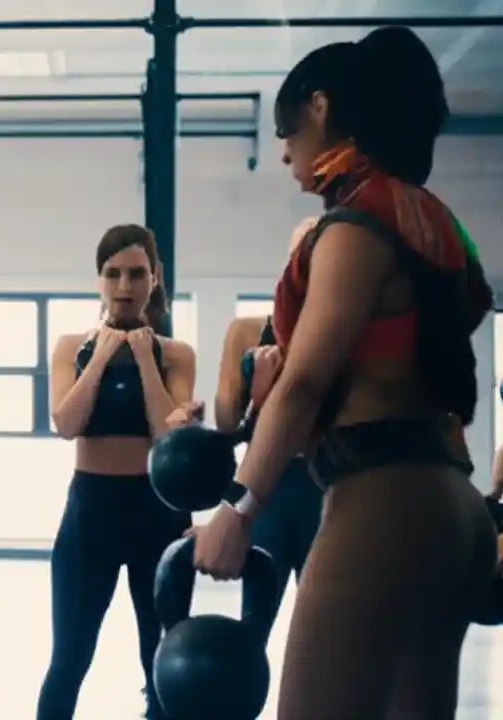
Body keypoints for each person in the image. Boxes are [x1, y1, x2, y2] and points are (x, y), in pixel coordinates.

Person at [190, 27, 498, 718]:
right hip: (450, 504)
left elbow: (303, 383)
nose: (283, 152)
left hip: (383, 505)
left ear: (321, 109)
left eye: (285, 130)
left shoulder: (356, 226)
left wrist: (239, 509)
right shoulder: (441, 224)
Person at [39, 224, 196, 720]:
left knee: (163, 659)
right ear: (98, 281)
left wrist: (146, 360)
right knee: (69, 657)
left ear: (155, 278)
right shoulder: (72, 347)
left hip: (160, 512)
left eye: (136, 273)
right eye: (113, 274)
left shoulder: (176, 355)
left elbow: (165, 435)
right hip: (91, 512)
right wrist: (104, 353)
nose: (124, 286)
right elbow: (66, 423)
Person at [212, 217, 324, 640]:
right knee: (254, 624)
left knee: (322, 633)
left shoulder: (344, 337)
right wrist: (255, 392)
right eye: (302, 257)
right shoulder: (247, 331)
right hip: (268, 489)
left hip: (324, 488)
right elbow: (227, 423)